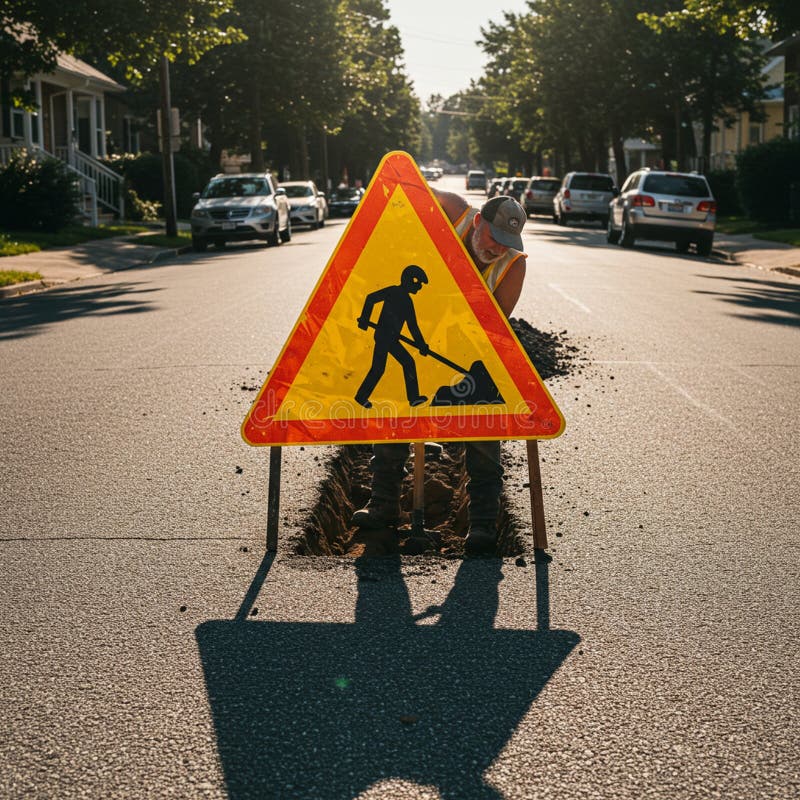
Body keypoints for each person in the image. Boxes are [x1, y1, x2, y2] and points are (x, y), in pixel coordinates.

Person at [351, 193, 528, 555]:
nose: (498, 249)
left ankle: (480, 524)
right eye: (494, 237)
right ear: (478, 221)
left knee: (484, 424)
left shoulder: (513, 265)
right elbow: (403, 187)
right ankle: (383, 503)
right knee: (396, 410)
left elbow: (495, 328)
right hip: (423, 336)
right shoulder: (453, 211)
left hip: (467, 351)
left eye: (507, 243)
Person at [355, 265, 430, 409]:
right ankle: (361, 397)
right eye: (417, 282)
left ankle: (413, 398)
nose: (419, 287)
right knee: (381, 368)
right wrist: (365, 319)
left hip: (391, 338)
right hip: (384, 337)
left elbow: (412, 326)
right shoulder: (393, 291)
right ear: (408, 280)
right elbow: (371, 299)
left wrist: (422, 345)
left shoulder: (407, 301)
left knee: (404, 363)